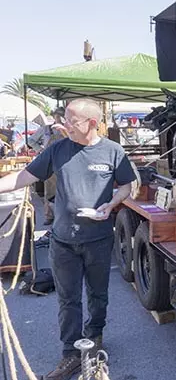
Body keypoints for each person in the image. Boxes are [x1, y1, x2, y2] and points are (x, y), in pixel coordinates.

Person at [0, 98, 137, 380]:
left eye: (71, 121)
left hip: (99, 239)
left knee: (98, 295)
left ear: (92, 124)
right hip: (62, 241)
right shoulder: (58, 149)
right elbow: (24, 176)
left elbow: (127, 185)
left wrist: (111, 205)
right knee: (67, 300)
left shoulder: (113, 151)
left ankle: (95, 338)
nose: (64, 126)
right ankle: (70, 354)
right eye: (65, 119)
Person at [27, 107, 67, 225]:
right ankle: (49, 215)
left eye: (61, 115)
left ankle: (64, 215)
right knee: (49, 191)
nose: (59, 118)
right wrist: (40, 150)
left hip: (65, 162)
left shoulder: (68, 130)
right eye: (57, 115)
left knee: (65, 189)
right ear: (54, 116)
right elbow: (31, 141)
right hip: (50, 162)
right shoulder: (46, 129)